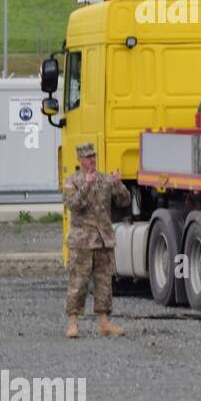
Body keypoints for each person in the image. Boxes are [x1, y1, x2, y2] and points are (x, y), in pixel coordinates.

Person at [63, 142, 130, 339]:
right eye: (87, 156)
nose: (91, 159)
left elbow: (123, 202)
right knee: (78, 282)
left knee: (104, 283)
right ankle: (73, 323)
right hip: (82, 241)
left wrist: (118, 185)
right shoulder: (72, 181)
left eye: (93, 156)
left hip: (103, 239)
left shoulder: (104, 180)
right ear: (79, 159)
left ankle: (104, 323)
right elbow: (73, 205)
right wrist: (86, 185)